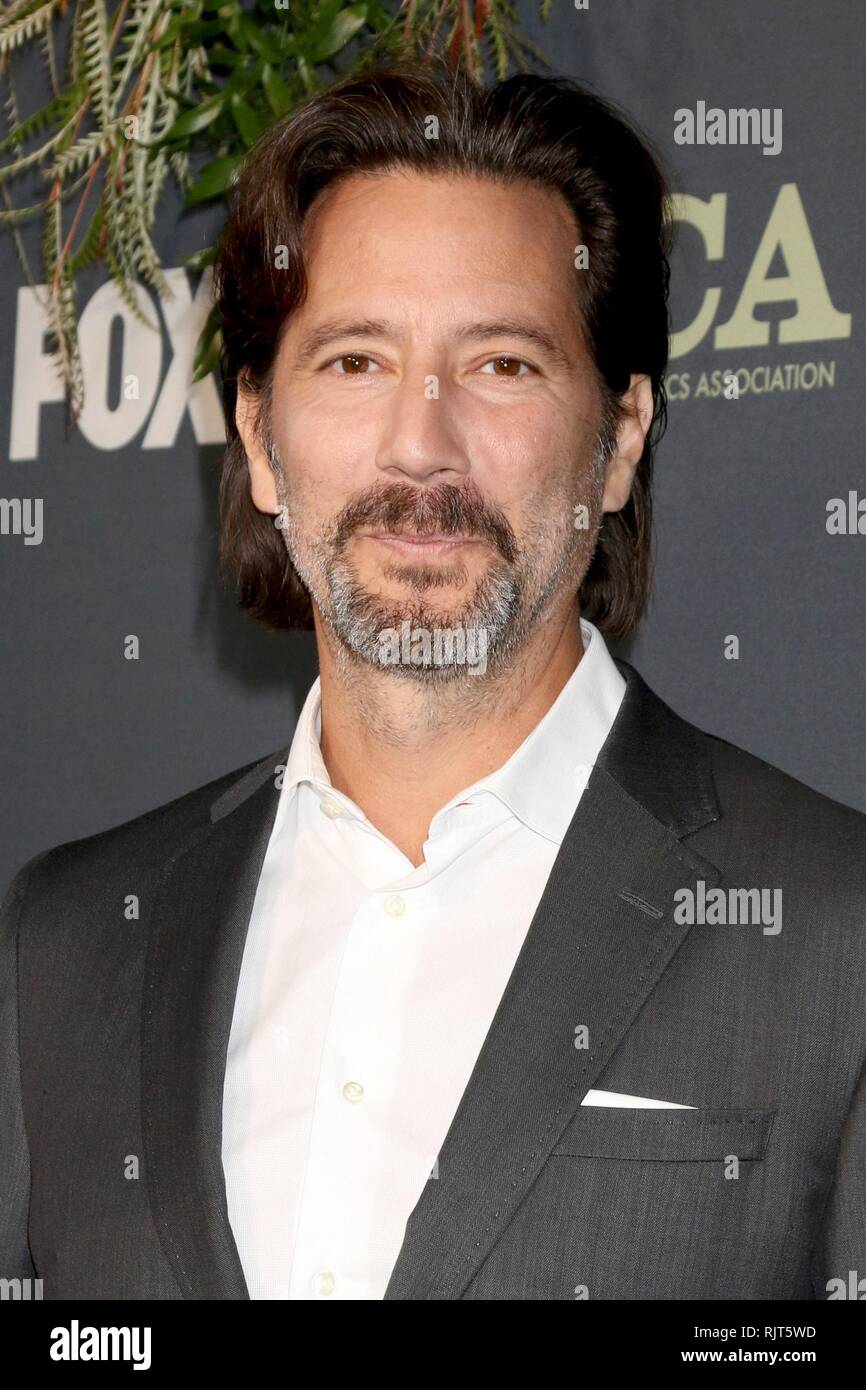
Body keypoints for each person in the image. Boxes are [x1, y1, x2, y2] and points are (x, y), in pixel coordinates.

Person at [1, 58, 863, 1301]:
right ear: (256, 436)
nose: (420, 441)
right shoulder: (64, 945)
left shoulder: (833, 932)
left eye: (501, 364)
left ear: (618, 438)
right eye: (354, 361)